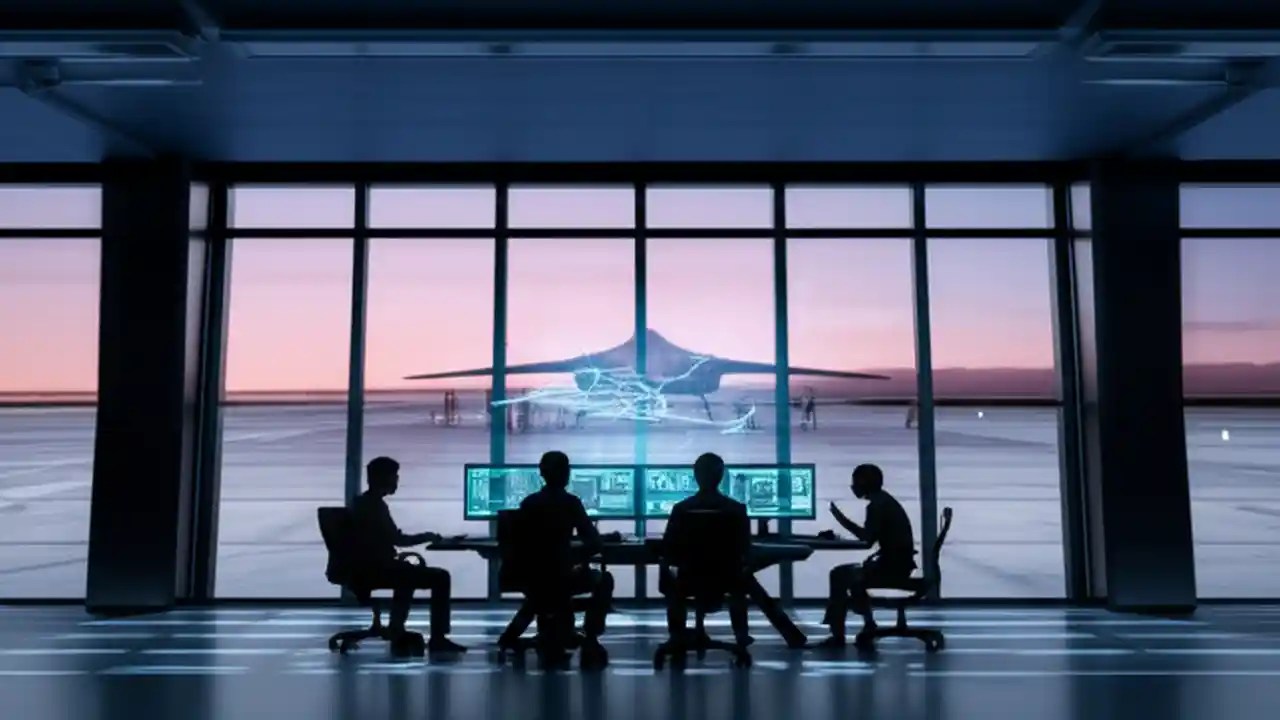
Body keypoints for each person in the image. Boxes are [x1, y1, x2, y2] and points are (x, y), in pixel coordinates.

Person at [498, 450, 614, 651]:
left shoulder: (528, 504)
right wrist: (574, 558)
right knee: (605, 579)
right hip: (561, 577)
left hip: (532, 578)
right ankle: (591, 634)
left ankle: (526, 632)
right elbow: (594, 543)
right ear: (566, 474)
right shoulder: (571, 503)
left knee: (540, 594)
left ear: (541, 473)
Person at [351, 456, 465, 654]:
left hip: (370, 567)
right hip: (376, 569)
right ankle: (438, 637)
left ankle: (397, 627)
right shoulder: (374, 506)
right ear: (384, 478)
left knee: (407, 573)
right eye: (394, 476)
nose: (397, 481)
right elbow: (397, 539)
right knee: (440, 577)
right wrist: (427, 536)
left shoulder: (363, 503)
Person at [816, 463, 917, 648]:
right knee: (850, 575)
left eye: (855, 482)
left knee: (839, 575)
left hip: (891, 568)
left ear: (865, 484)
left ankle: (838, 635)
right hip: (898, 564)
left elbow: (866, 540)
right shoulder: (885, 501)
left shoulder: (877, 506)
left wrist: (841, 520)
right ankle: (867, 622)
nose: (853, 486)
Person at [660, 453, 753, 647]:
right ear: (721, 476)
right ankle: (741, 635)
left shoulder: (681, 509)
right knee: (741, 582)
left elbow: (668, 547)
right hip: (726, 579)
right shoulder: (736, 510)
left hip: (688, 580)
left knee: (672, 583)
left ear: (695, 476)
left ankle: (676, 635)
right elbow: (745, 548)